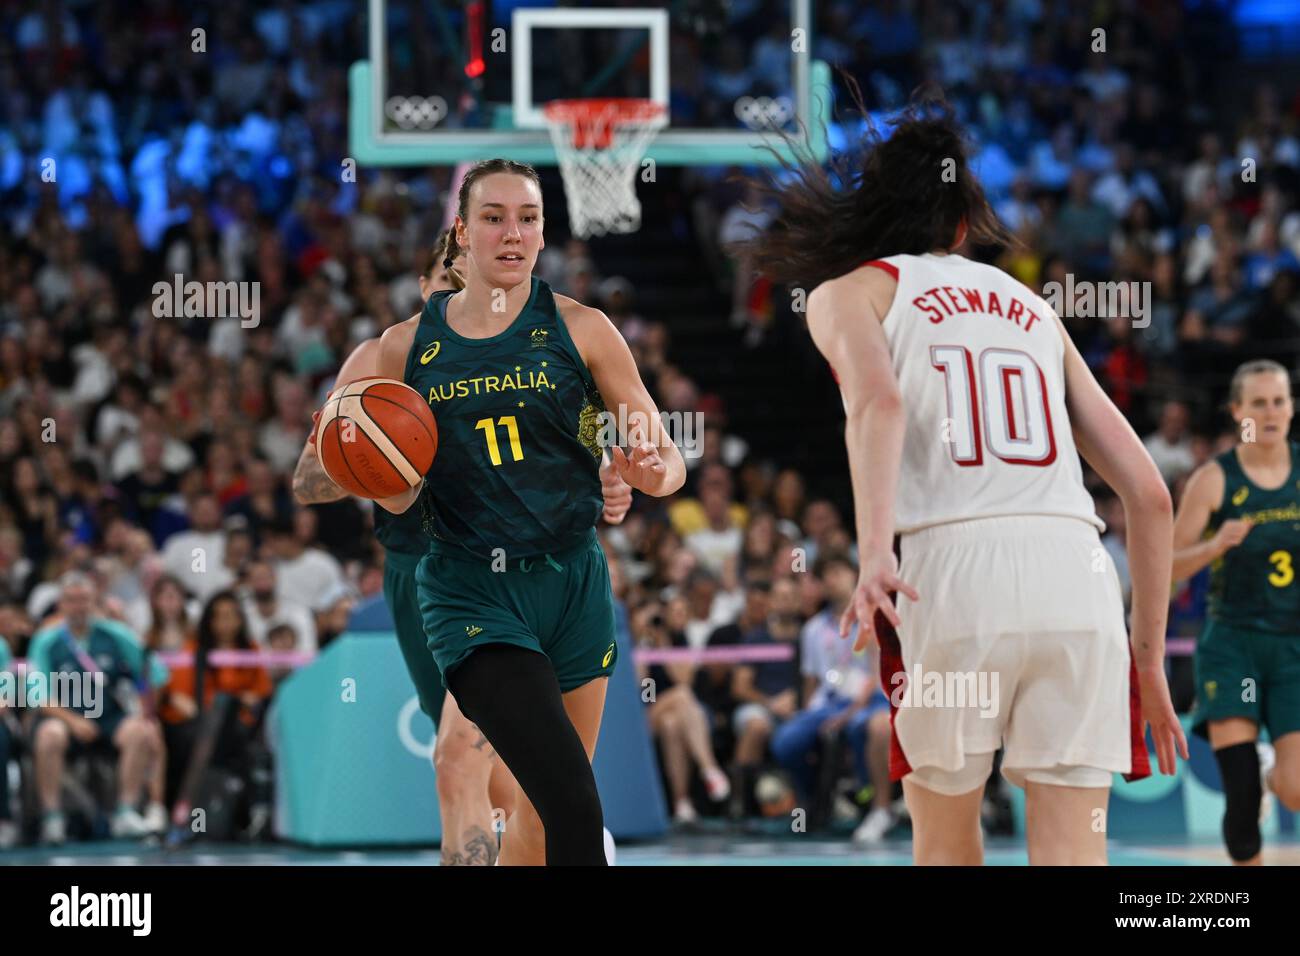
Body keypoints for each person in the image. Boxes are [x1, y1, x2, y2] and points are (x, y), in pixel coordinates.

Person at [746, 97, 1185, 865]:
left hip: (949, 576)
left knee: (946, 846)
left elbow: (879, 402)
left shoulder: (851, 291)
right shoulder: (1033, 308)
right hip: (1075, 578)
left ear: (874, 213)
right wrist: (1147, 658)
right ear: (960, 225)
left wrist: (874, 551)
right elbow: (1148, 495)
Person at [293, 223, 637, 865]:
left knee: (457, 760)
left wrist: (610, 481)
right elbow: (307, 483)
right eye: (450, 282)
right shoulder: (384, 362)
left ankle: (566, 830)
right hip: (411, 573)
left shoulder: (530, 354)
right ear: (426, 287)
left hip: (485, 579)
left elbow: (581, 453)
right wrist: (362, 455)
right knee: (500, 778)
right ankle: (565, 833)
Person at [381, 159, 685, 865]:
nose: (512, 232)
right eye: (493, 217)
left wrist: (647, 468)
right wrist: (379, 469)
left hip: (573, 585)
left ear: (545, 231)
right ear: (461, 233)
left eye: (527, 217)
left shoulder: (583, 329)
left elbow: (666, 458)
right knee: (575, 804)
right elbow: (393, 497)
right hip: (470, 590)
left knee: (541, 817)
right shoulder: (405, 348)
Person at [1171, 358, 1300, 865]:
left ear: (1291, 408)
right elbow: (1166, 568)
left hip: (1292, 648)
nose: (1270, 412)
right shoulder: (1214, 480)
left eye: (1279, 401)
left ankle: (1275, 773)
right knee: (1241, 801)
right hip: (1233, 646)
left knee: (1293, 790)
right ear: (1237, 412)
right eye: (1258, 403)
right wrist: (1213, 546)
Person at [25, 571, 170, 844]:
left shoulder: (116, 634)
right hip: (65, 718)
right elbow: (36, 696)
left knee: (141, 730)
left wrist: (144, 708)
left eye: (84, 600)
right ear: (61, 604)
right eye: (71, 600)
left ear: (94, 602)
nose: (78, 606)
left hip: (109, 717)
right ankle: (52, 818)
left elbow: (155, 673)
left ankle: (125, 813)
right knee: (48, 735)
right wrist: (73, 721)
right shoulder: (45, 640)